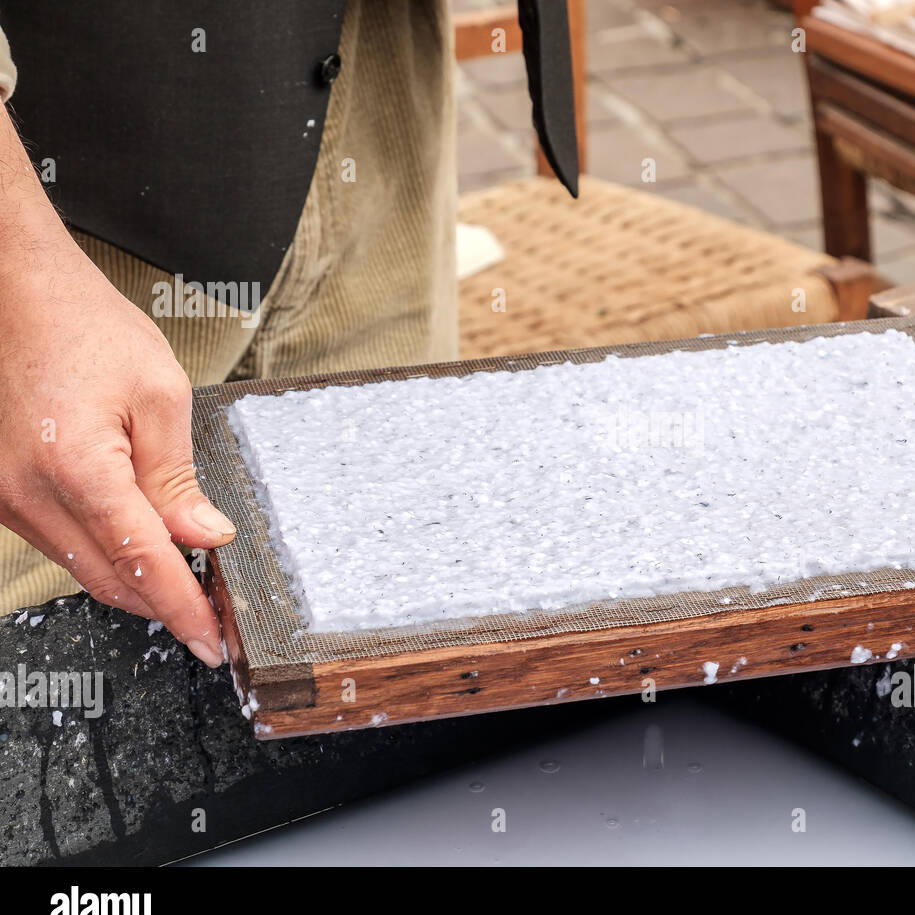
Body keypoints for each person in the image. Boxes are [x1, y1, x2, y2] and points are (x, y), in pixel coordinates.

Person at [0, 1, 577, 666]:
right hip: (75, 167)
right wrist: (17, 269)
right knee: (54, 691)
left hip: (383, 81)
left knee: (398, 653)